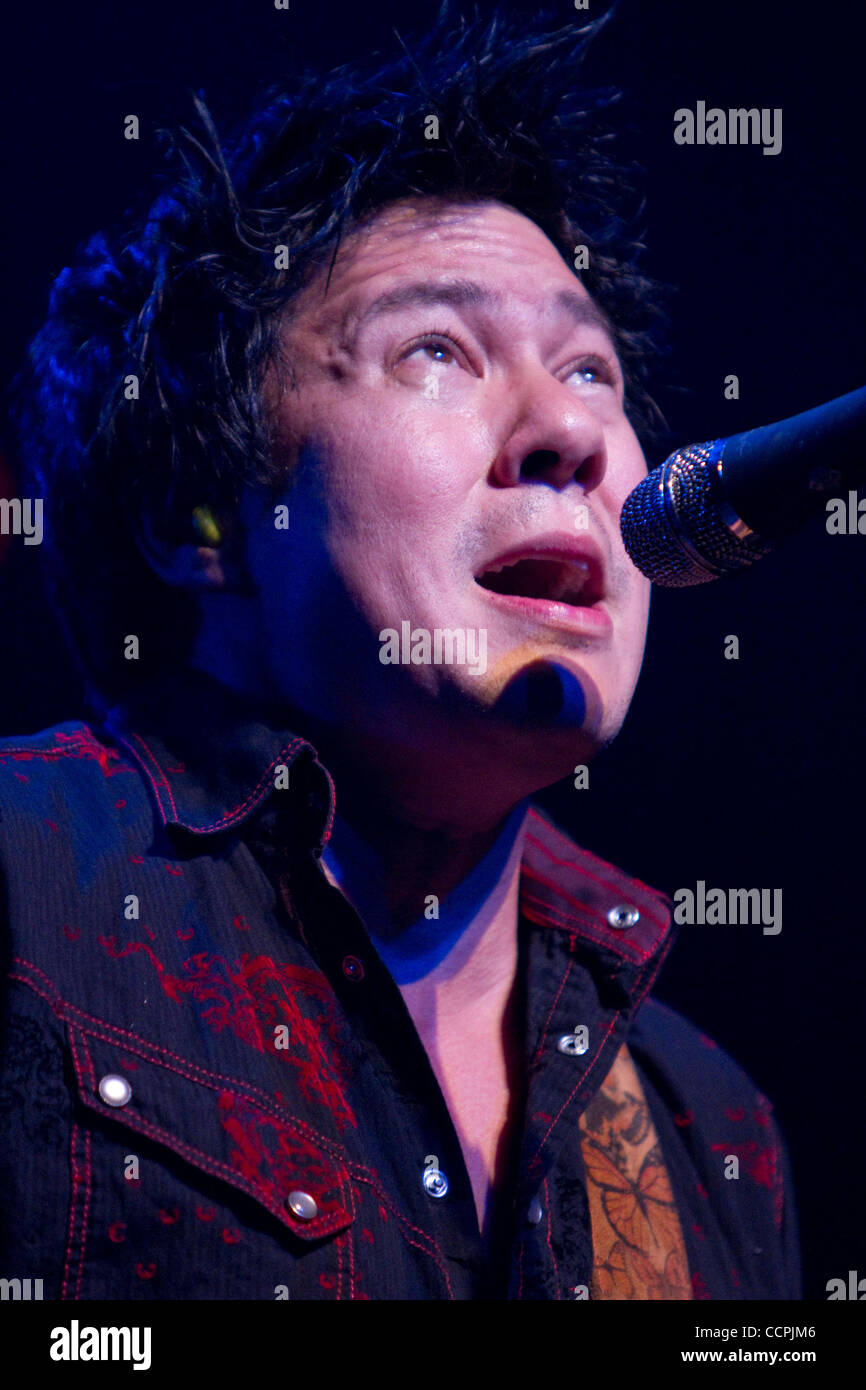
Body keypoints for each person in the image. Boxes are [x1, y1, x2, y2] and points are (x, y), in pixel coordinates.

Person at [0, 9, 799, 1300]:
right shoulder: (25, 896)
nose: (570, 435)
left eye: (591, 371)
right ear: (200, 522)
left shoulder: (709, 1133)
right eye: (438, 350)